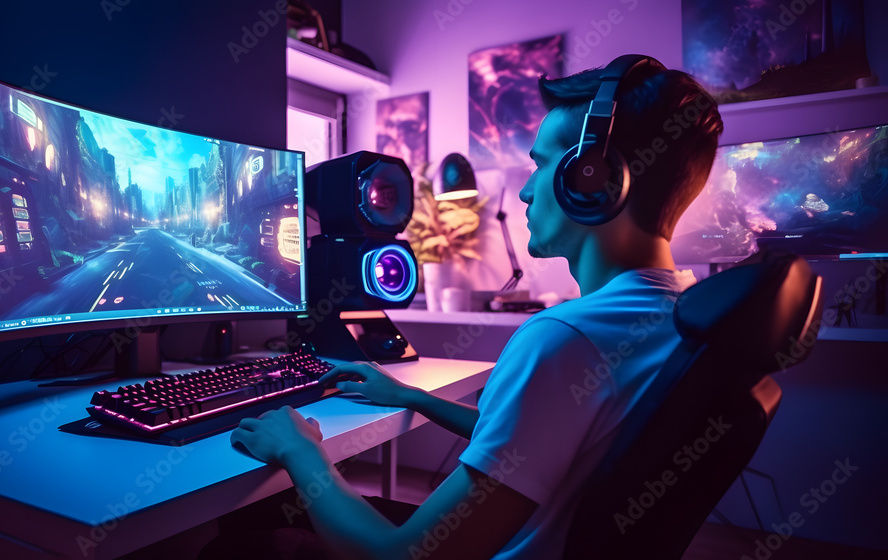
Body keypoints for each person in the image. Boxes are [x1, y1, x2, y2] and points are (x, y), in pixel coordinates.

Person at [226, 55, 723, 560]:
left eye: (541, 164)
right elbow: (535, 439)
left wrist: (302, 451)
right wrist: (413, 398)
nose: (527, 191)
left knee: (241, 541)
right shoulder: (684, 312)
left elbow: (401, 556)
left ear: (590, 180)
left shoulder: (566, 339)